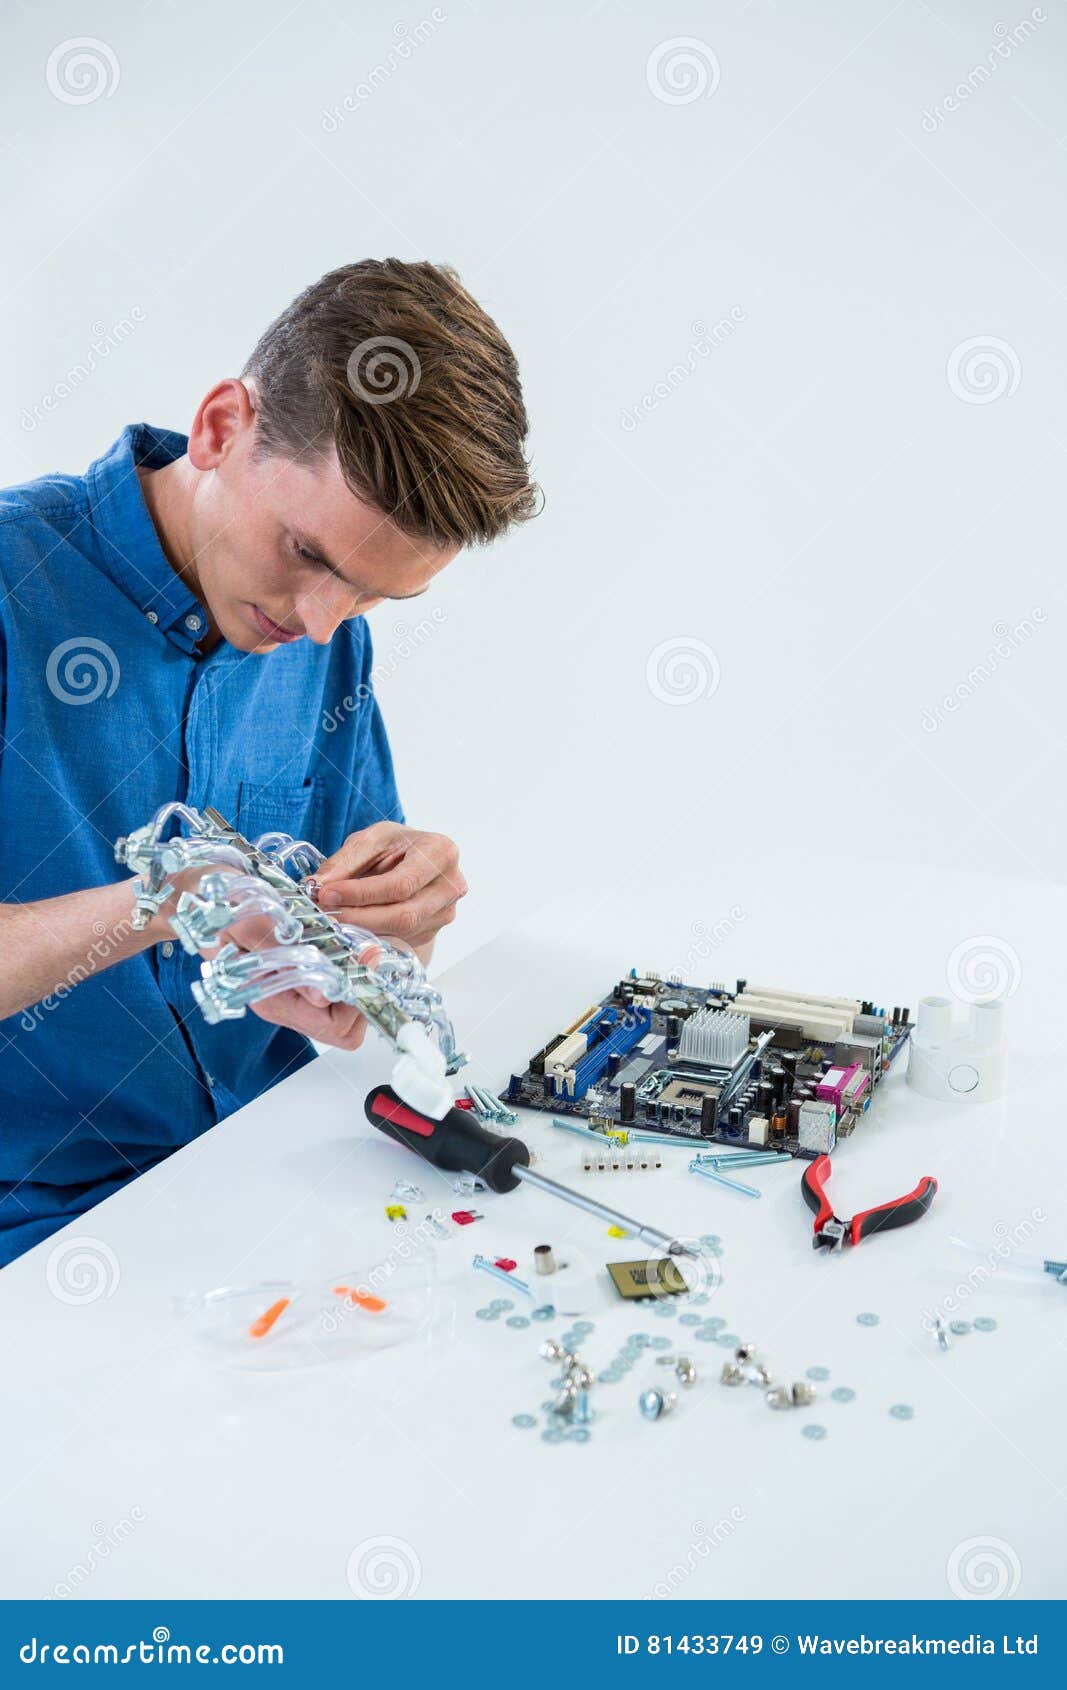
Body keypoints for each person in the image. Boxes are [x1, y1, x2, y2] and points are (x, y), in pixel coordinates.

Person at [0, 259, 537, 1266]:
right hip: (38, 1236)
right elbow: (195, 902)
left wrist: (389, 929)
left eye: (376, 595)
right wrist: (166, 900)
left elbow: (344, 958)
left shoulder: (319, 632)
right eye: (309, 554)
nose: (319, 622)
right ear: (219, 428)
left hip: (273, 1177)